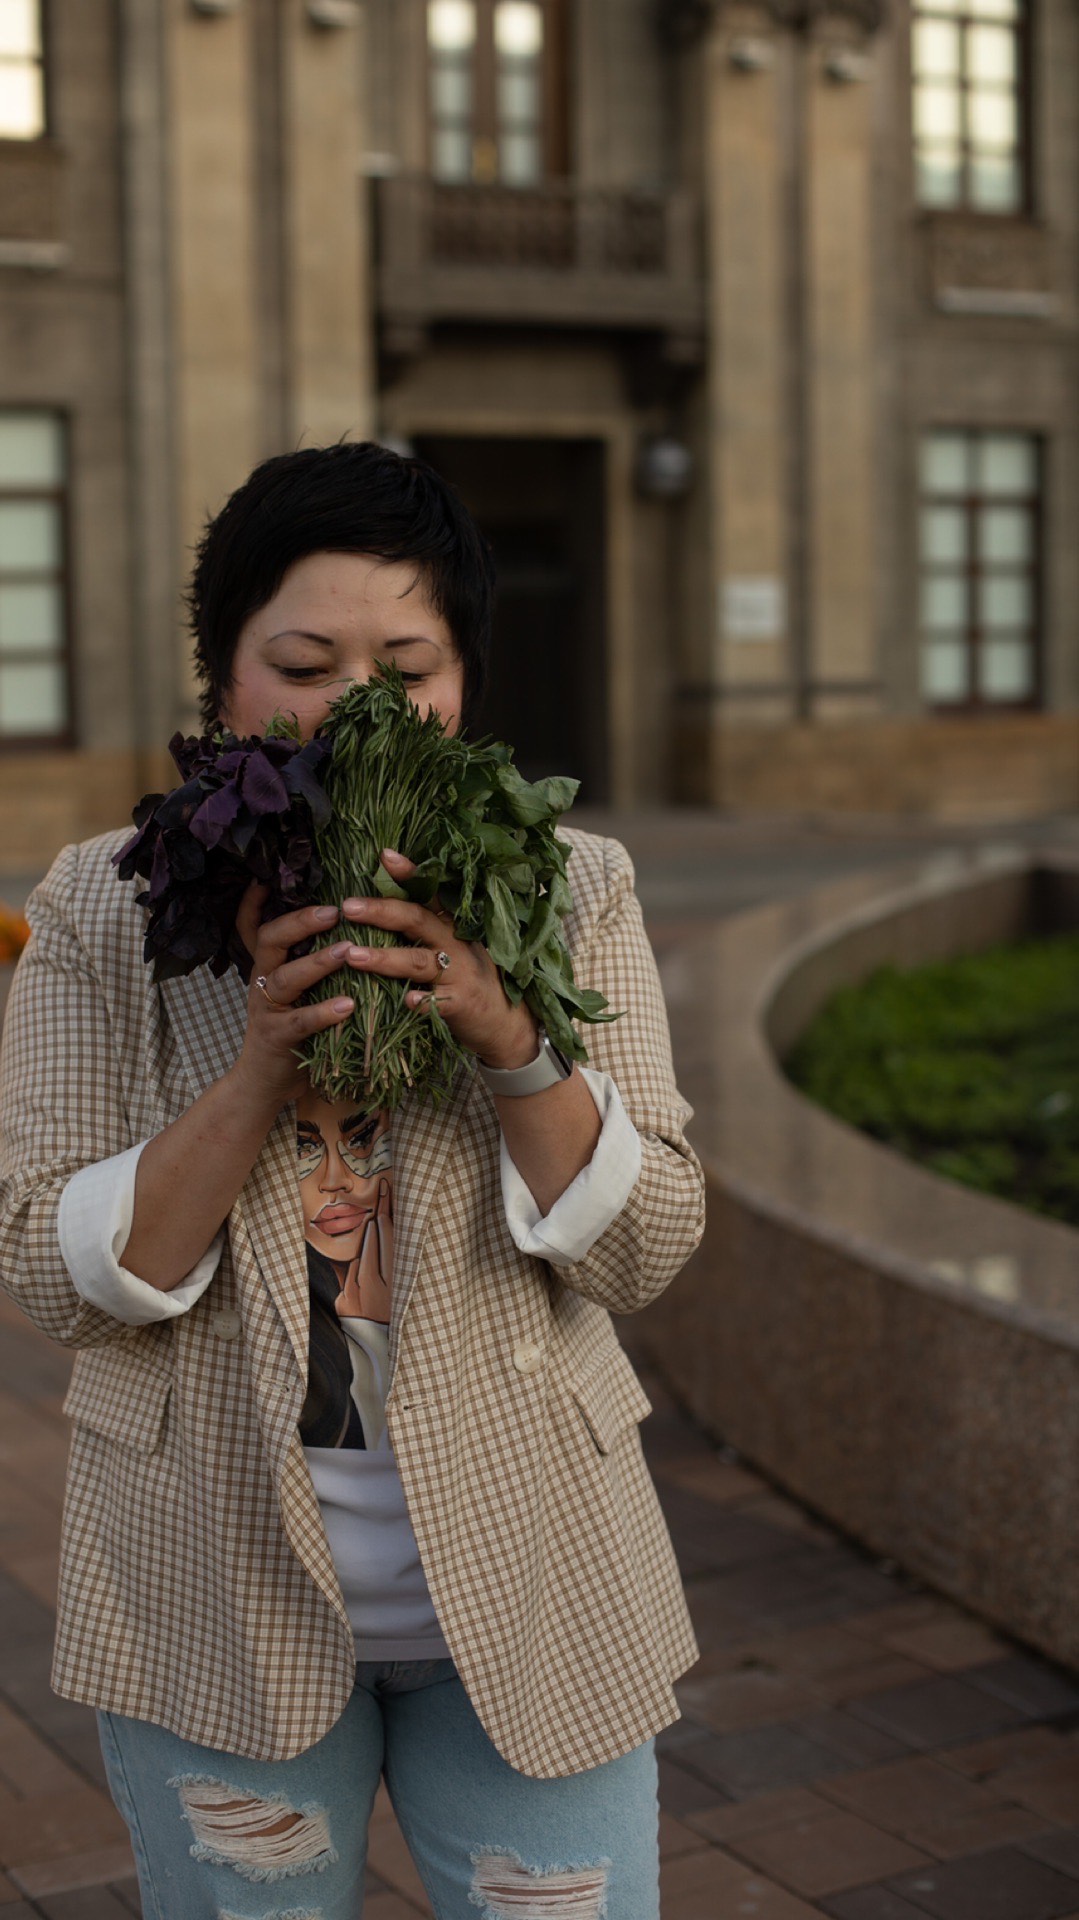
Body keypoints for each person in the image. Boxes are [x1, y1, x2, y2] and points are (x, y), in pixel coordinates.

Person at [0, 442, 705, 1919]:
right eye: (305, 661)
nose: (360, 707)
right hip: (215, 1600)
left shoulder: (569, 889)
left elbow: (646, 1248)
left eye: (411, 663)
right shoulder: (94, 906)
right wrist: (256, 1062)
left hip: (534, 1584)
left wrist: (514, 1038)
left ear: (464, 689)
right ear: (222, 682)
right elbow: (35, 1271)